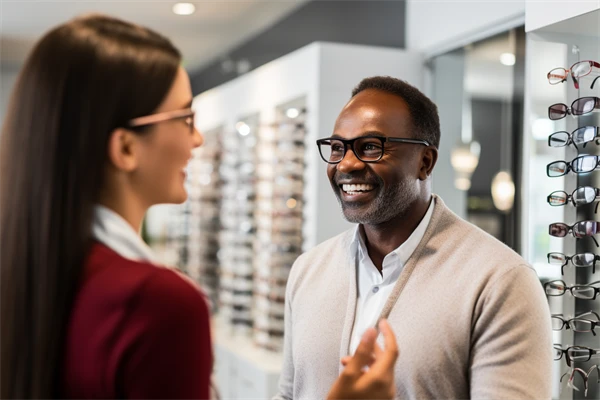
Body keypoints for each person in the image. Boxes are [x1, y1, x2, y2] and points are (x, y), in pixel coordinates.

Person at [0, 15, 399, 400]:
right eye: (185, 118)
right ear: (125, 148)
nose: (198, 141)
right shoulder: (158, 304)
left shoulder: (33, 272)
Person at [275, 76, 553, 400]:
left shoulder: (500, 282)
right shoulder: (308, 271)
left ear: (425, 162)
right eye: (337, 148)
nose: (347, 164)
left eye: (370, 147)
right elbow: (288, 395)